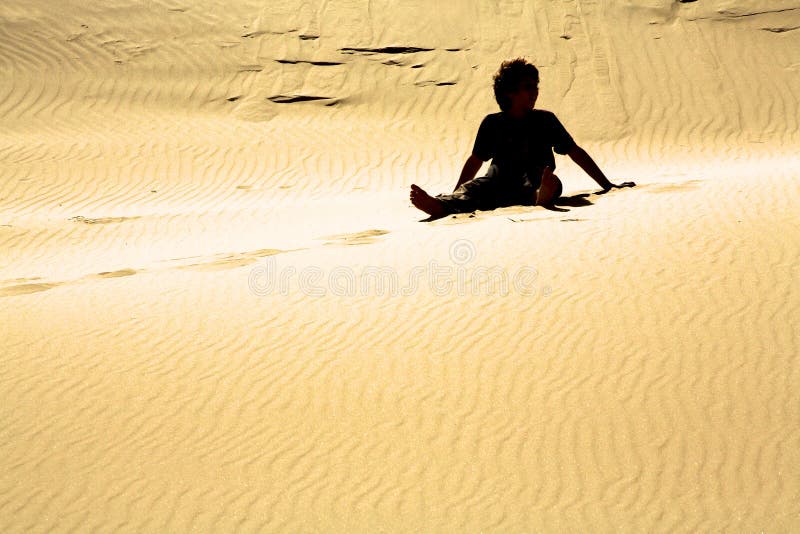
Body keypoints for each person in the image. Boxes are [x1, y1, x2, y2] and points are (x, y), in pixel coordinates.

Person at [409, 58, 634, 219]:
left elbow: (575, 152)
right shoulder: (492, 123)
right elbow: (475, 161)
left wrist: (607, 185)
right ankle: (440, 206)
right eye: (528, 87)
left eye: (536, 86)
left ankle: (541, 196)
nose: (535, 91)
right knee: (473, 190)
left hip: (535, 178)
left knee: (549, 184)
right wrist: (456, 191)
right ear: (509, 93)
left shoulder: (546, 120)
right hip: (497, 182)